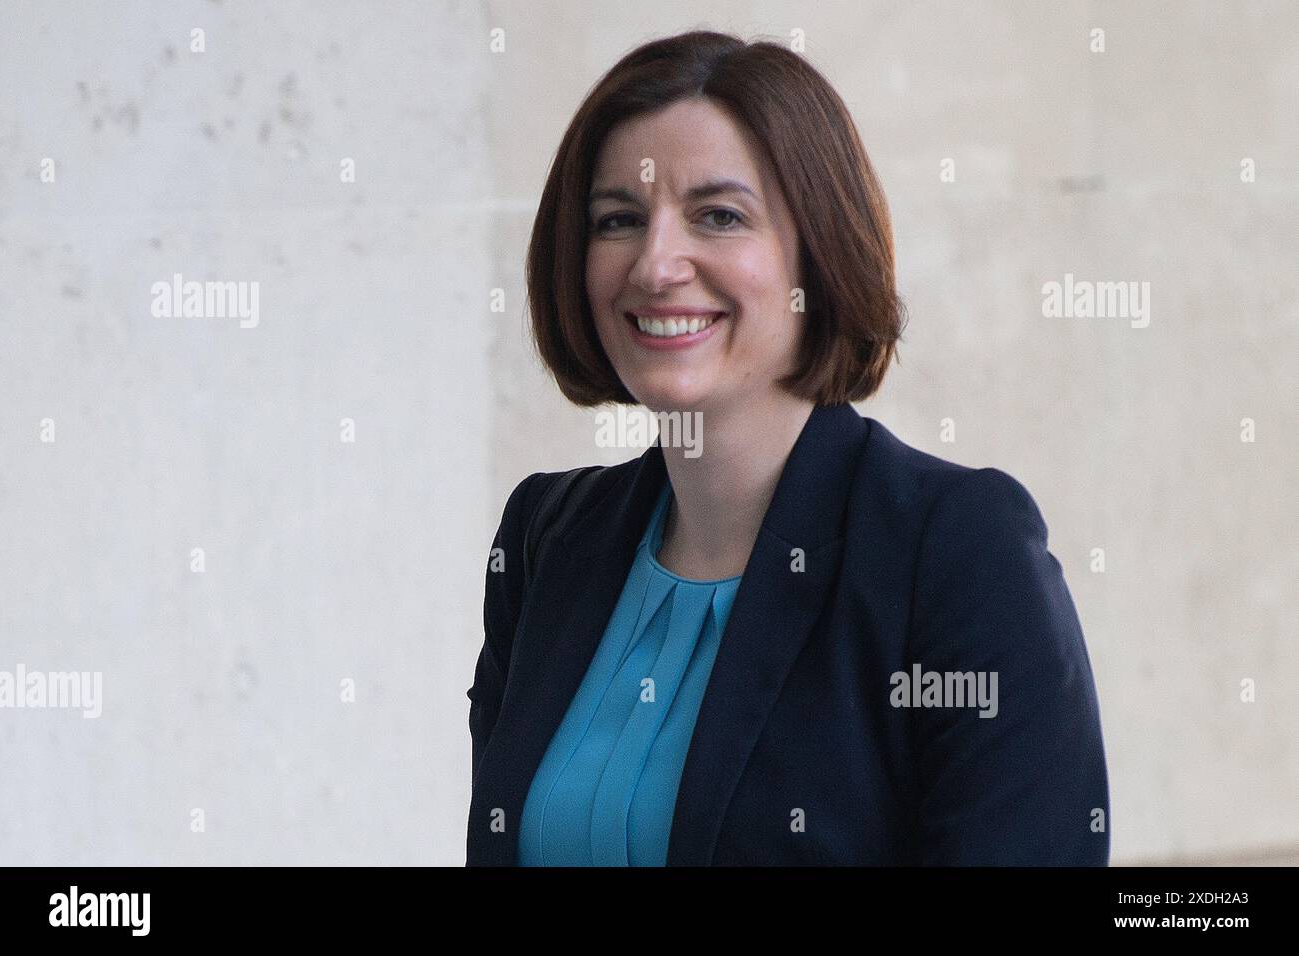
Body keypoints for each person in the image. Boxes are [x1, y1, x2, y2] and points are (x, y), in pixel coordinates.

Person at [466, 29, 1109, 866]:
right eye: (618, 219)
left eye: (719, 216)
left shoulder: (954, 550)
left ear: (820, 249)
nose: (656, 264)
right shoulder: (546, 538)